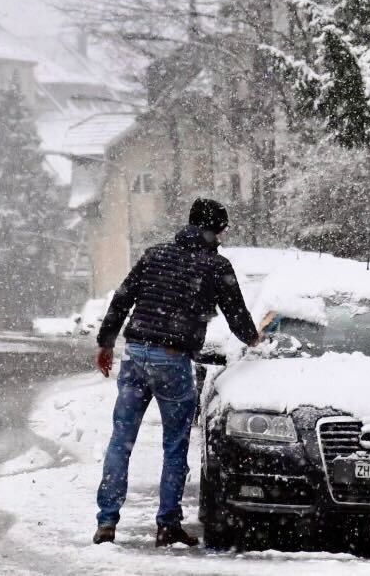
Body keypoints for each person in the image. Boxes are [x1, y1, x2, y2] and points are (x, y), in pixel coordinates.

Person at [92, 198, 260, 547]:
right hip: (172, 359)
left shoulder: (154, 255)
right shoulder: (216, 266)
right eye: (222, 229)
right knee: (175, 445)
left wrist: (106, 343)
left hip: (136, 354)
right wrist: (258, 342)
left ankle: (107, 522)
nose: (224, 236)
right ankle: (167, 524)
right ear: (215, 229)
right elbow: (238, 318)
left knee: (121, 441)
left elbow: (122, 298)